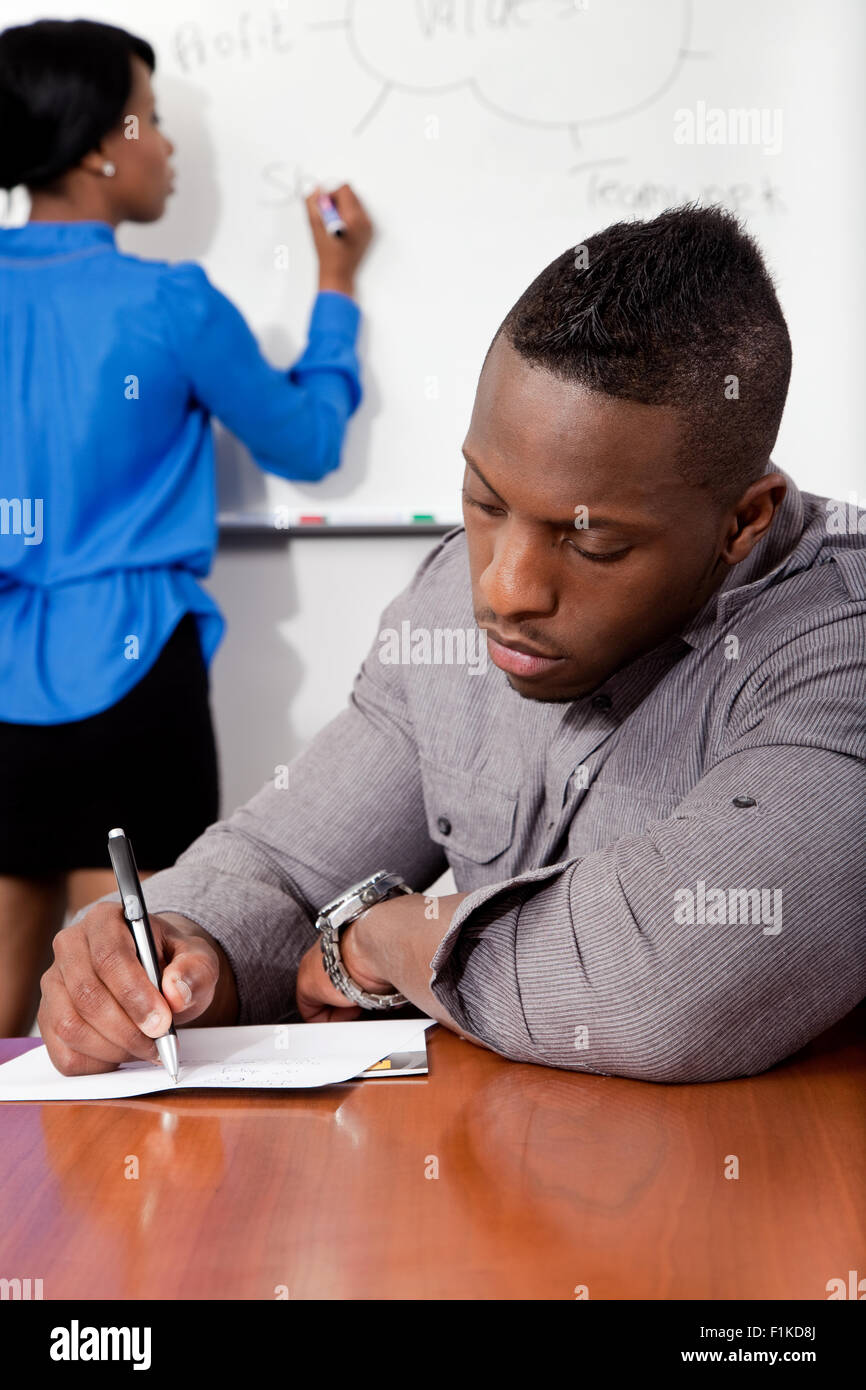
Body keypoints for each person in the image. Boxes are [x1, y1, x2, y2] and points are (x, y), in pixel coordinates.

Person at [40, 206, 865, 1083]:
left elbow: (668, 985)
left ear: (743, 522)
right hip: (485, 1189)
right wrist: (168, 950)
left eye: (591, 543)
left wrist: (388, 942)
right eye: (485, 501)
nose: (505, 590)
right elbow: (281, 867)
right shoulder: (446, 607)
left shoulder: (839, 641)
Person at [0, 18, 372, 1036]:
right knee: (135, 993)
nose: (164, 147)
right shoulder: (170, 302)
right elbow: (303, 442)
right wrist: (334, 288)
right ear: (95, 144)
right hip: (133, 677)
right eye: (150, 121)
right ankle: (136, 1197)